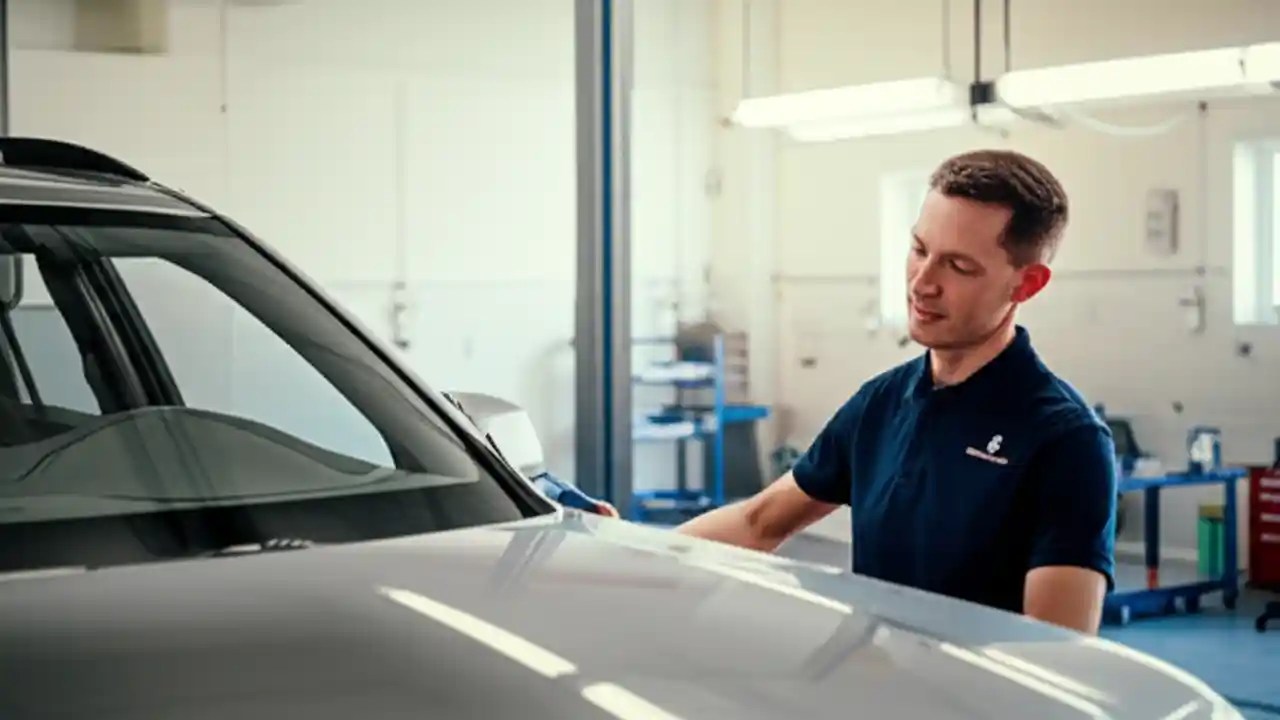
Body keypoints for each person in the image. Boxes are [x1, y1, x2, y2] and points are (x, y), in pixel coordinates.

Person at [675, 149, 1117, 635]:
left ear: (1027, 284)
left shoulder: (1065, 441)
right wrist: (626, 552)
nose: (923, 283)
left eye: (959, 267)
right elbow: (760, 522)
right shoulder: (880, 404)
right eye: (919, 250)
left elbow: (1057, 653)